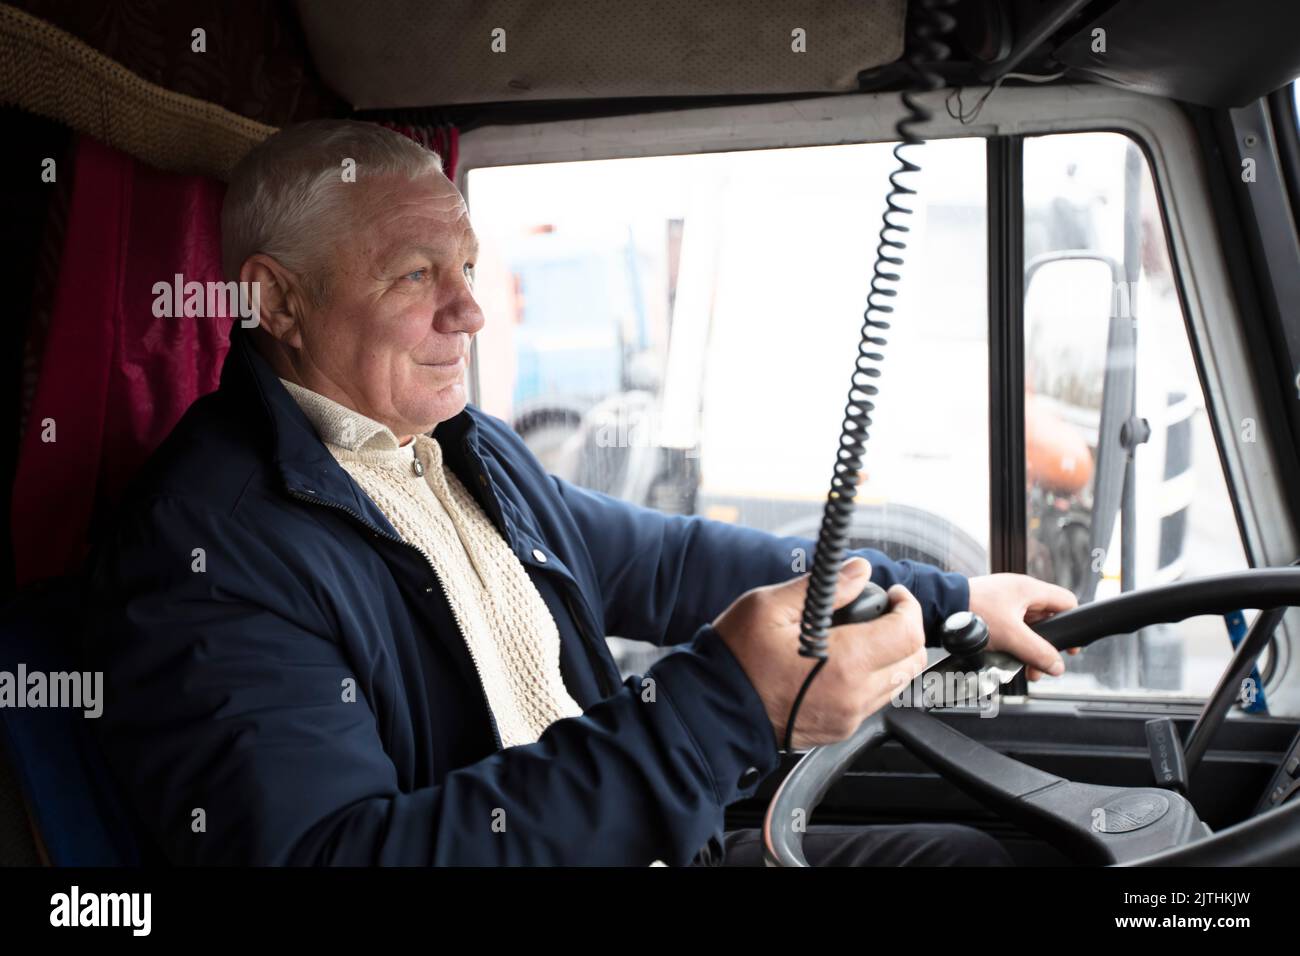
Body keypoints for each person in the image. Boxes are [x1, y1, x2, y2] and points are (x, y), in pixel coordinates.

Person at [85, 120, 1076, 866]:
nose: (470, 309)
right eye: (414, 275)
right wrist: (726, 704)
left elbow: (668, 560)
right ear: (276, 301)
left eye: (467, 266)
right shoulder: (207, 546)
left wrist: (946, 596)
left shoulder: (460, 450)